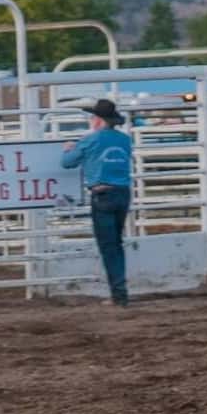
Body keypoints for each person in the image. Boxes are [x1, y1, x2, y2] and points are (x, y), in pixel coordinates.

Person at [62, 98, 133, 307]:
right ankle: (119, 292)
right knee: (116, 244)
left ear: (99, 121)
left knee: (109, 246)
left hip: (102, 194)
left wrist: (69, 148)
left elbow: (67, 162)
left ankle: (119, 294)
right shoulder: (125, 140)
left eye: (93, 117)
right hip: (123, 193)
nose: (91, 121)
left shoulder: (91, 140)